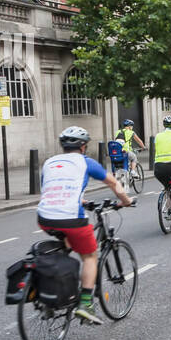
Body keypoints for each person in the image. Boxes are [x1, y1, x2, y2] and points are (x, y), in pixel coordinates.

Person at [36, 127, 131, 325]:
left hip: (44, 217)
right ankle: (85, 305)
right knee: (89, 256)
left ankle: (56, 281)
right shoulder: (85, 162)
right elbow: (114, 183)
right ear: (83, 146)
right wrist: (125, 200)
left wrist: (81, 200)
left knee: (69, 245)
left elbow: (53, 189)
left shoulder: (49, 162)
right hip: (71, 218)